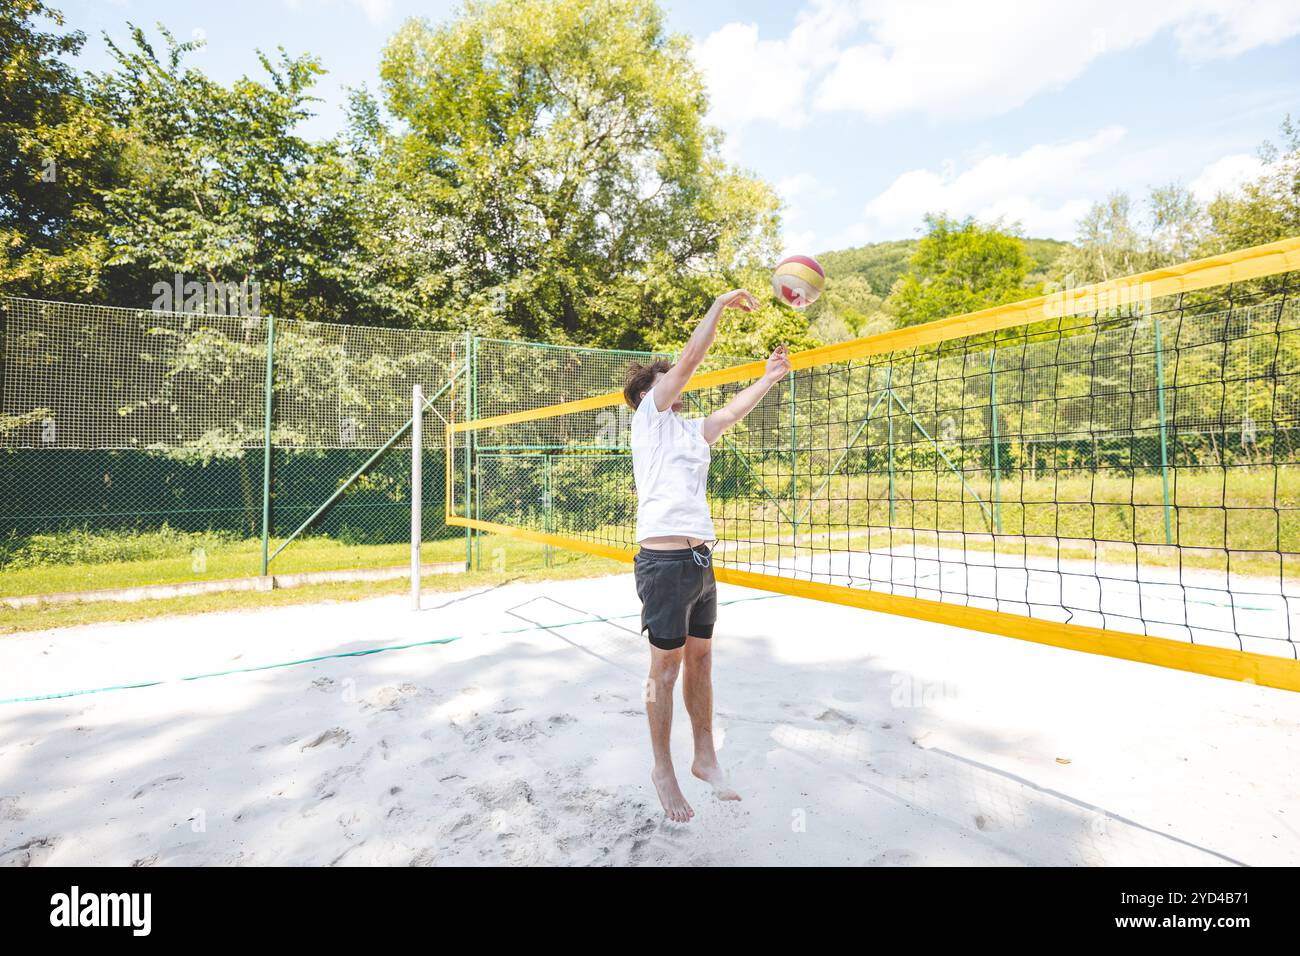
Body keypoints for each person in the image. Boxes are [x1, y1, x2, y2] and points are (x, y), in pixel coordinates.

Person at [622, 288, 792, 822]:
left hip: (700, 563)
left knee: (701, 659)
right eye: (665, 378)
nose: (676, 380)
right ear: (650, 392)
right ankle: (662, 768)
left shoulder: (691, 432)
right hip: (664, 564)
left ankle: (703, 756)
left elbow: (732, 412)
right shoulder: (648, 418)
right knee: (663, 669)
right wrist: (719, 303)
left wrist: (768, 376)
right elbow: (692, 360)